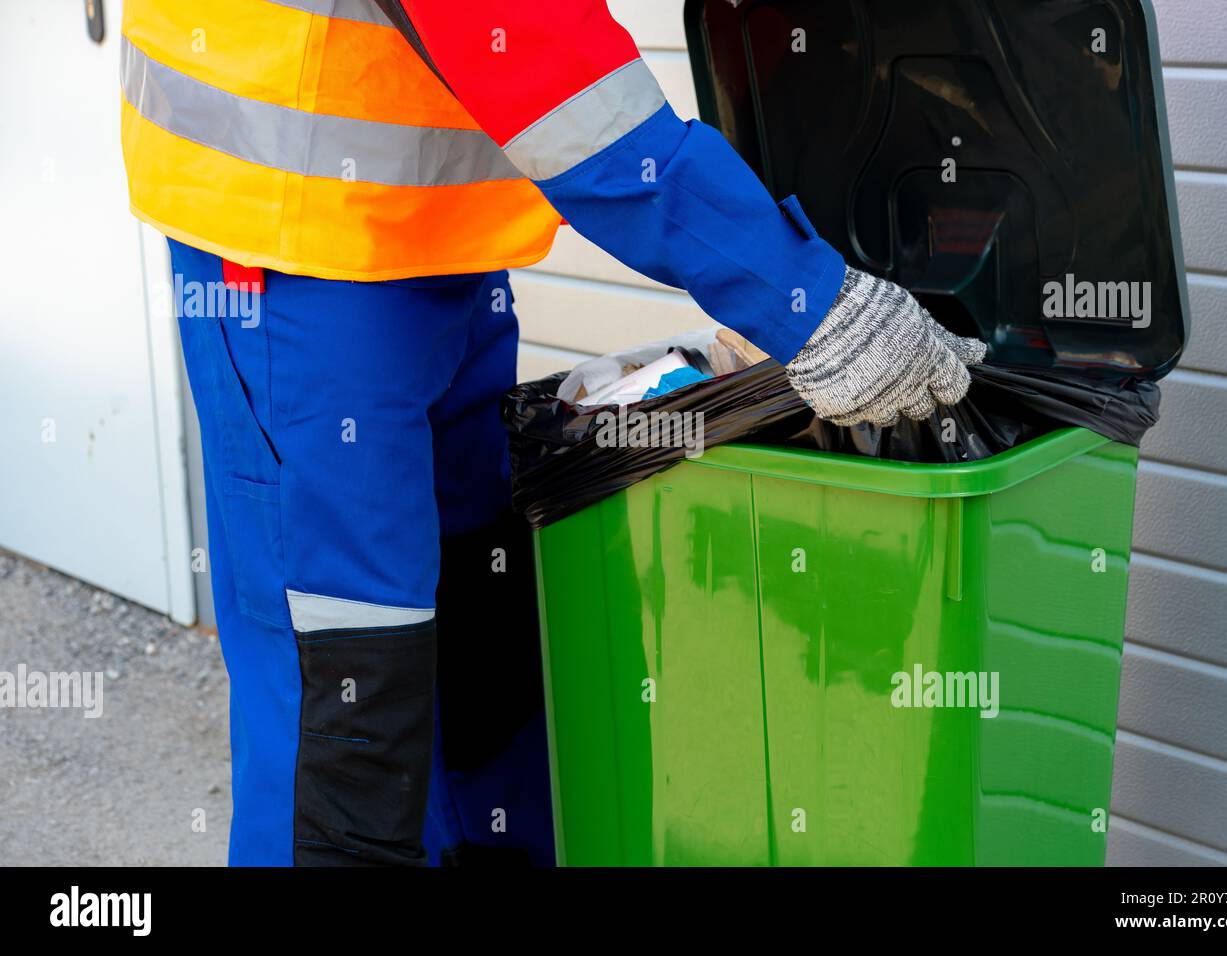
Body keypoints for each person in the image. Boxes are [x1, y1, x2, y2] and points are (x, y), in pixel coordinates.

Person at [119, 0, 985, 866]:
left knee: (478, 635)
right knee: (350, 683)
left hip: (440, 247)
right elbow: (537, 56)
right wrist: (797, 292)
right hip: (295, 253)